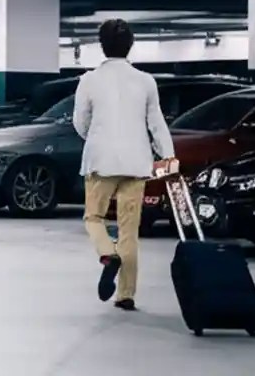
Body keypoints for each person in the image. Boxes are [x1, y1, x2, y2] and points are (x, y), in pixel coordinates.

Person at [72, 19, 177, 312]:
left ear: (101, 46)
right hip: (136, 162)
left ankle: (107, 254)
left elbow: (80, 123)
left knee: (94, 217)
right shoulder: (145, 81)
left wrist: (96, 136)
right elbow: (156, 124)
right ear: (130, 45)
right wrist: (168, 158)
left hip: (100, 161)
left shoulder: (89, 80)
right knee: (129, 231)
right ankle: (126, 294)